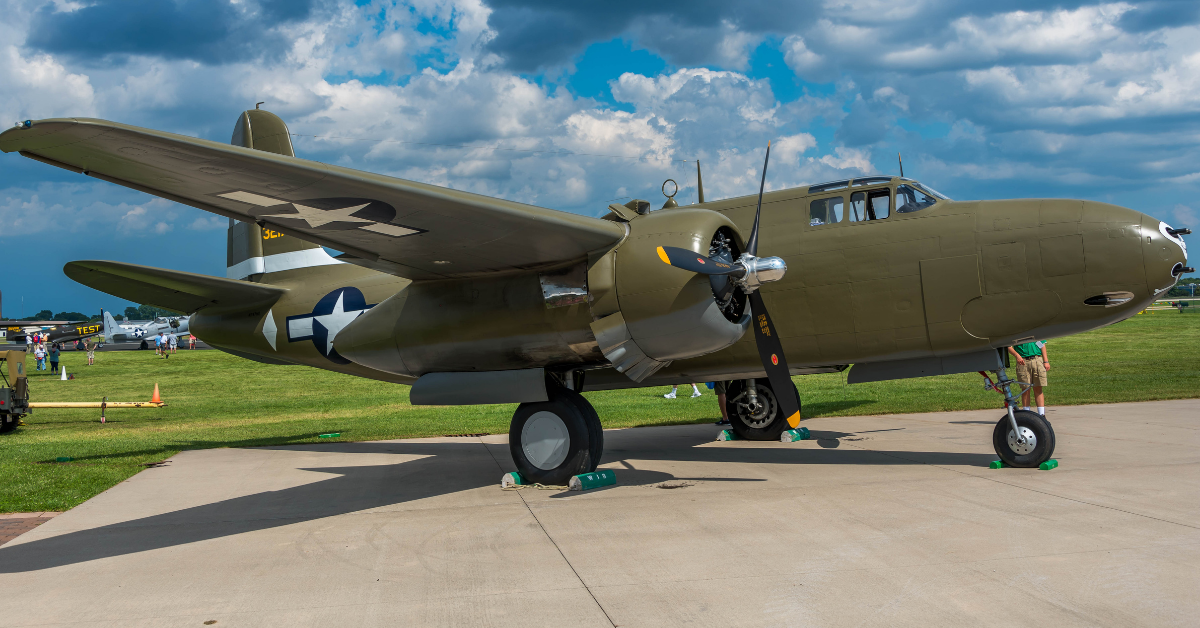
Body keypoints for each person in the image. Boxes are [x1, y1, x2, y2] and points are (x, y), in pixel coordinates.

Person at [1008, 341, 1050, 416]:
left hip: (1037, 359)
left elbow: (1042, 344)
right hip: (1023, 361)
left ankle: (1042, 414)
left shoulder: (1034, 334)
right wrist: (1017, 355)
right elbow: (1008, 346)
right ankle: (1026, 414)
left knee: (1038, 388)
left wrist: (1046, 361)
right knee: (1026, 389)